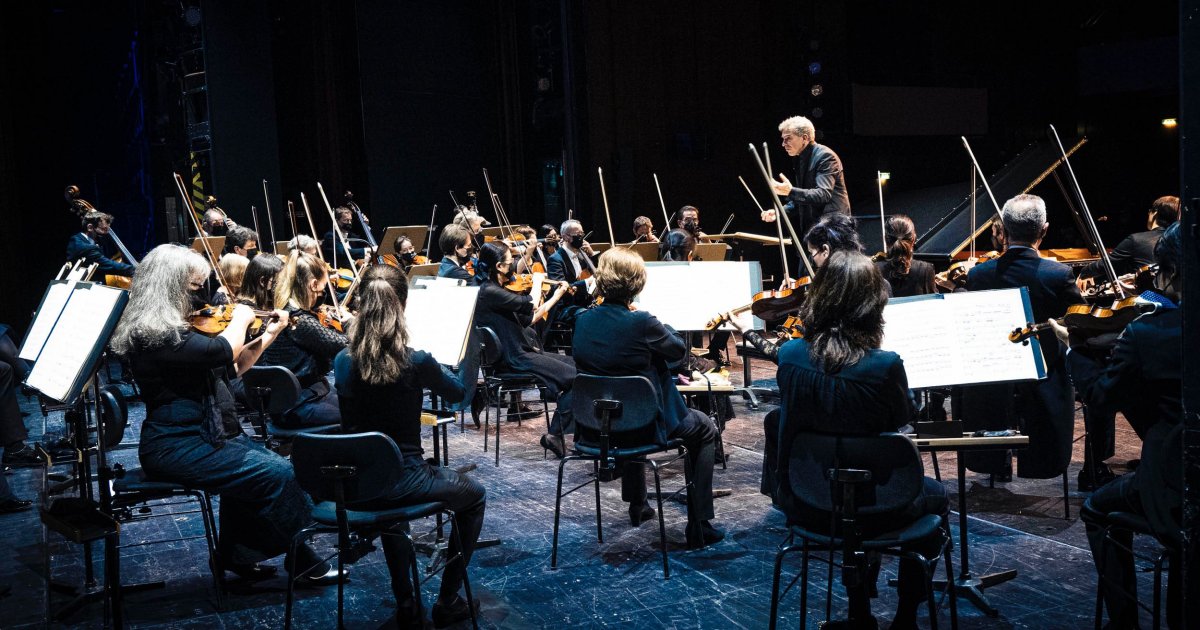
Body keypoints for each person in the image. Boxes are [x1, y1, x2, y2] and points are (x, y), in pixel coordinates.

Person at [110, 244, 340, 584]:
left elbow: (231, 368)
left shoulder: (180, 330)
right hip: (176, 446)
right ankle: (303, 559)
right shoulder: (156, 335)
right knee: (278, 474)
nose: (199, 295)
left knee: (260, 471)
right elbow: (221, 349)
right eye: (192, 287)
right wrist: (243, 316)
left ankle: (237, 558)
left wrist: (271, 333)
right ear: (169, 286)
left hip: (204, 436)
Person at [774, 249, 945, 628]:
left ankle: (859, 611)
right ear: (873, 304)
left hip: (809, 498)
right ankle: (905, 617)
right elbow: (904, 416)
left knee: (857, 490)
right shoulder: (885, 365)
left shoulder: (789, 356)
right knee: (936, 497)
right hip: (881, 502)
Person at [334, 265, 485, 628]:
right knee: (475, 496)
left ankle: (406, 600)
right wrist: (468, 352)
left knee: (392, 511)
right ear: (402, 304)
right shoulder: (415, 360)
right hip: (405, 479)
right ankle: (447, 599)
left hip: (356, 483)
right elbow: (459, 394)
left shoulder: (342, 360)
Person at [1056, 222, 1183, 629]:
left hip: (1174, 482)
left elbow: (1099, 398)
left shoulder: (1146, 333)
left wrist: (1075, 348)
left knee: (1098, 509)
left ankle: (1124, 622)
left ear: (1173, 273)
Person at [571, 247, 724, 547]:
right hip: (645, 424)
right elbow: (678, 352)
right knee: (705, 429)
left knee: (628, 409)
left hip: (597, 426)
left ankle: (637, 504)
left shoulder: (582, 320)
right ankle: (700, 524)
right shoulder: (642, 322)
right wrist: (656, 320)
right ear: (637, 284)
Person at [961, 194, 1081, 482]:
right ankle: (1040, 463)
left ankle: (996, 461)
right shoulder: (1059, 275)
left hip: (993, 379)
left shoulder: (979, 275)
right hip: (1044, 380)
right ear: (1044, 231)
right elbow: (1076, 325)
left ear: (1004, 229)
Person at [472, 242, 577, 456]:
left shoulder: (495, 289)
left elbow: (528, 318)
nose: (514, 267)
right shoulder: (488, 291)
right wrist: (537, 281)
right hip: (514, 358)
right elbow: (529, 303)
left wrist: (556, 296)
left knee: (579, 365)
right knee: (577, 377)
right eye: (511, 263)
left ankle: (577, 430)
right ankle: (556, 434)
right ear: (500, 266)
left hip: (524, 350)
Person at [258, 251, 349, 428]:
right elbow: (345, 346)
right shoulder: (299, 321)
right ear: (314, 284)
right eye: (324, 288)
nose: (324, 293)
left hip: (292, 400)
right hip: (299, 406)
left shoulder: (284, 309)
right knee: (364, 411)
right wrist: (351, 324)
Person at [761, 115, 851, 239]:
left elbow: (823, 194)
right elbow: (804, 198)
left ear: (804, 138)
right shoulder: (800, 160)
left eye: (788, 139)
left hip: (833, 230)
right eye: (783, 139)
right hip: (814, 230)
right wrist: (780, 212)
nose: (783, 144)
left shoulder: (825, 156)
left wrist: (790, 191)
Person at [1076, 195, 1179, 289]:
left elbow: (1107, 264)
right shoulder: (1180, 240)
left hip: (1146, 298)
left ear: (1154, 213)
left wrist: (1085, 272)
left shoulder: (1136, 240)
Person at [875, 215, 935, 298]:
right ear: (913, 239)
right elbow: (934, 302)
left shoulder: (874, 269)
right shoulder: (925, 269)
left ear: (886, 240)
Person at [65, 211, 135, 278]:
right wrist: (138, 270)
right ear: (90, 227)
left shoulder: (79, 238)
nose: (107, 233)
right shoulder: (85, 247)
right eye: (103, 229)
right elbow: (110, 265)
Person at [546, 219, 597, 285]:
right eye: (578, 235)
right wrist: (586, 282)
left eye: (582, 234)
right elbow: (558, 287)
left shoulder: (581, 255)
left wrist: (592, 253)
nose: (582, 238)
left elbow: (597, 271)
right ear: (565, 237)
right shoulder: (555, 259)